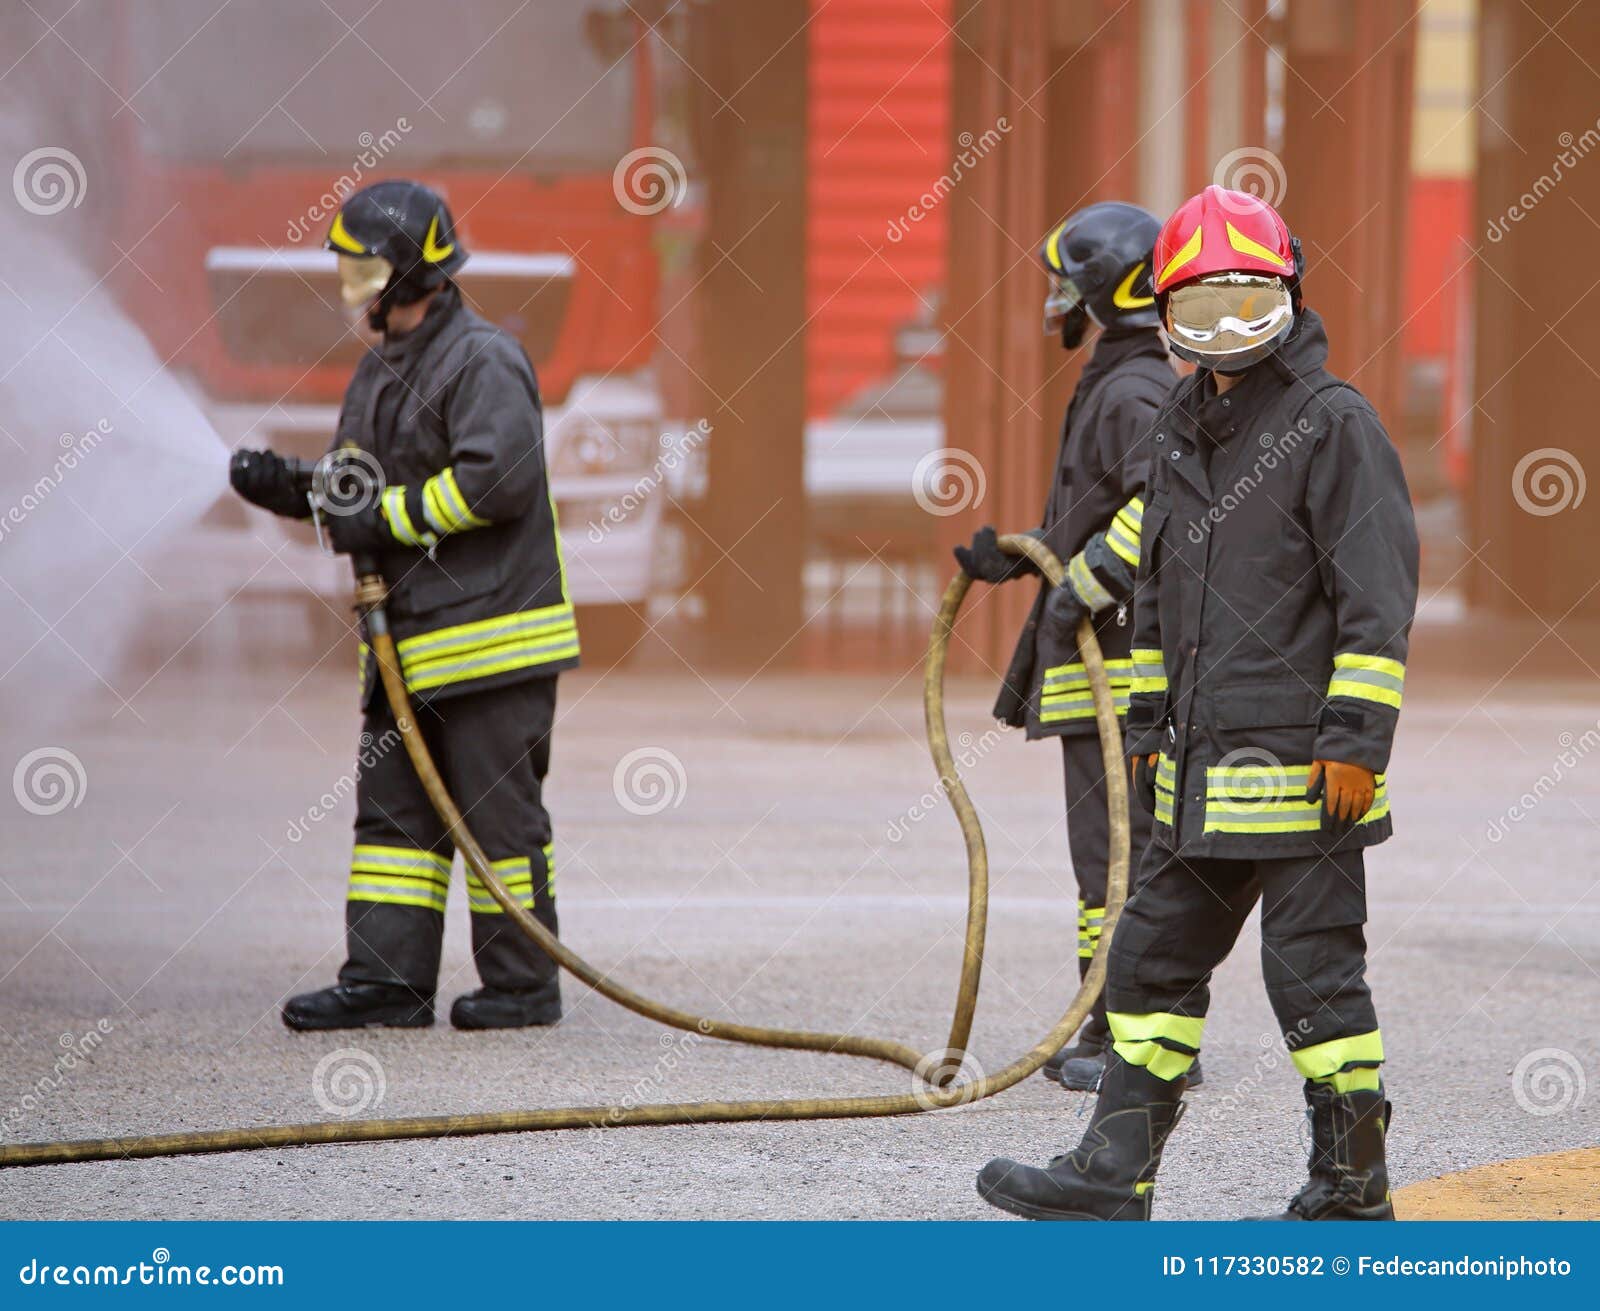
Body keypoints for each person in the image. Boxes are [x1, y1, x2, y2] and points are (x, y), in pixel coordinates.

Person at [976, 184, 1419, 1220]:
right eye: (1198, 310)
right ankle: (1111, 1171)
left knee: (1313, 985)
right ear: (1165, 312)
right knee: (1146, 962)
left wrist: (1356, 741)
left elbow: (1376, 601)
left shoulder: (1331, 425)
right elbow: (1162, 596)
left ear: (1287, 290)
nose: (1221, 330)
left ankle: (1352, 1182)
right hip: (1193, 771)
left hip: (1308, 776)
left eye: (1241, 302)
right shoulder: (1184, 418)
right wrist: (1140, 728)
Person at [229, 179, 578, 1031]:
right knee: (393, 828)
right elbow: (361, 488)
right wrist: (294, 489)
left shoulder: (482, 358)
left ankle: (523, 987)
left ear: (409, 273)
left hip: (491, 645)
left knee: (500, 822)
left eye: (361, 272)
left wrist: (373, 514)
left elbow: (494, 483)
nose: (350, 291)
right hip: (406, 651)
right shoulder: (382, 367)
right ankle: (387, 982)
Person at [955, 202, 1184, 1092]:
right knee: (1109, 856)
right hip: (1104, 672)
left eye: (1066, 283)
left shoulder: (1132, 390)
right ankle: (1114, 1020)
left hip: (1120, 673)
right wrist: (1017, 555)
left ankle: (1136, 1034)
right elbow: (1096, 513)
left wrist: (1081, 589)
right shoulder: (1120, 378)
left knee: (1120, 855)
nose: (1054, 299)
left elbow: (1158, 510)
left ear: (1102, 291)